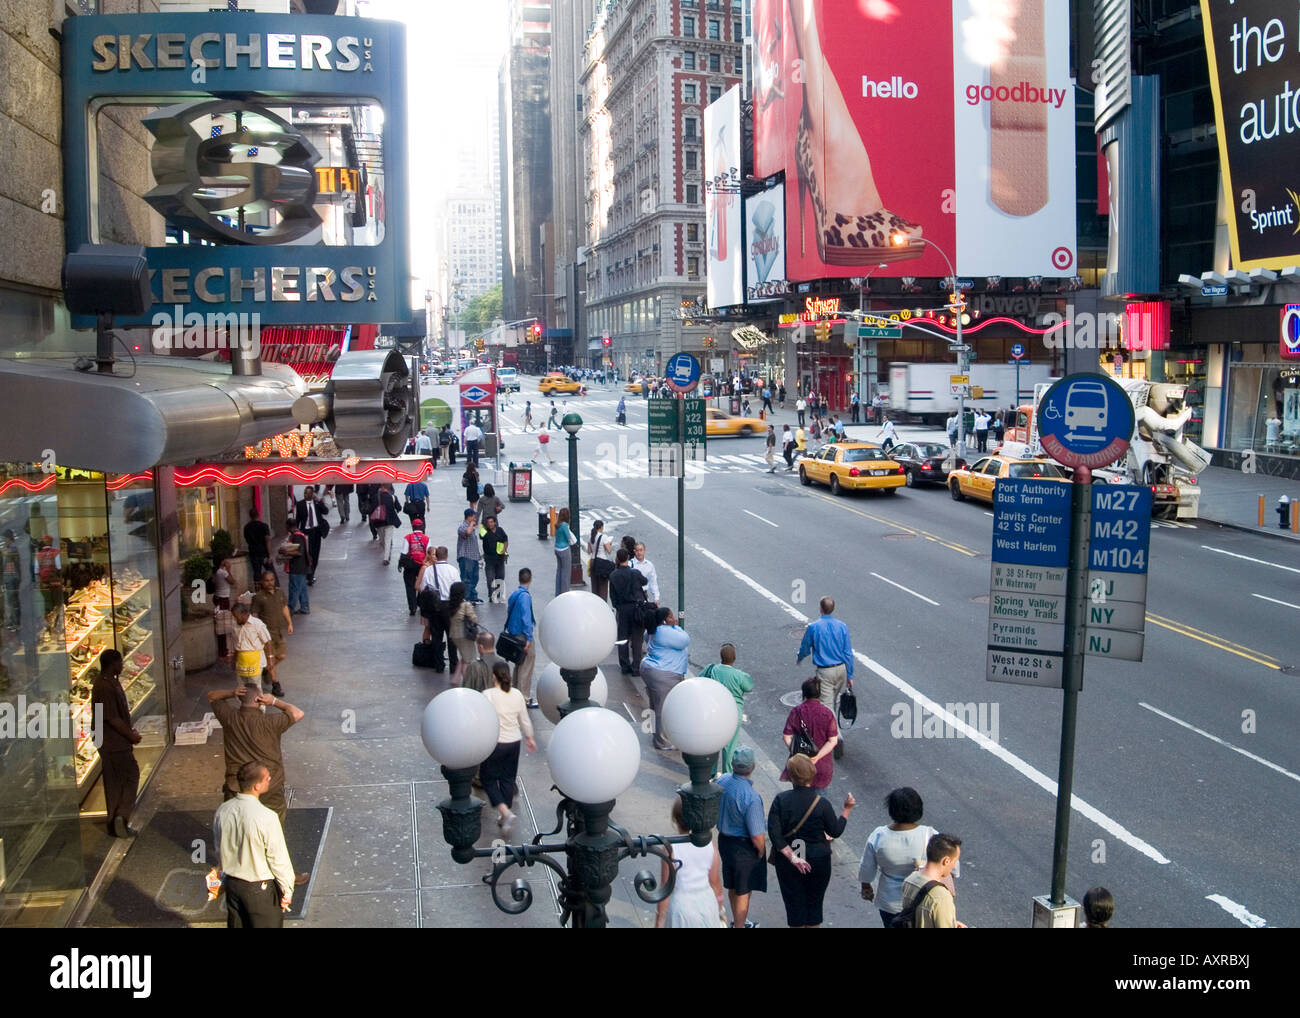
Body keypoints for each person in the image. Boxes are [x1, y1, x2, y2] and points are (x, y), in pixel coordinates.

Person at [768, 754, 855, 928]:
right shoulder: (822, 804)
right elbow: (835, 831)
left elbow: (774, 833)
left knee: (794, 907)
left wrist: (793, 857)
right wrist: (846, 810)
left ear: (791, 776)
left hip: (789, 861)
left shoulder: (781, 800)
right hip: (818, 860)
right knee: (814, 907)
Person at [207, 680, 305, 828]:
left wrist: (232, 692)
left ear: (240, 699)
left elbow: (212, 696)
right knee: (273, 826)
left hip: (237, 785)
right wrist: (275, 701)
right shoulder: (271, 723)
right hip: (269, 784)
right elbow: (298, 713)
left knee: (237, 827)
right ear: (259, 700)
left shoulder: (229, 717)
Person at [212, 762, 297, 928]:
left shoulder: (223, 810)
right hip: (259, 889)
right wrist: (287, 889)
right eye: (267, 778)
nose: (270, 779)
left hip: (233, 885)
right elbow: (278, 858)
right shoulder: (267, 817)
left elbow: (218, 846)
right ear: (257, 786)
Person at [858, 787, 951, 927]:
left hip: (889, 901)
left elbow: (867, 868)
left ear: (891, 810)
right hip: (923, 899)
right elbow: (952, 869)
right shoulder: (931, 836)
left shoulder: (879, 836)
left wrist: (866, 887)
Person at [716, 746, 767, 928]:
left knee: (732, 885)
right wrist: (761, 851)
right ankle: (739, 925)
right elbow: (757, 835)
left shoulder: (722, 781)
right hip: (743, 849)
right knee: (744, 890)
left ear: (732, 764)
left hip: (725, 841)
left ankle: (739, 922)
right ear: (752, 766)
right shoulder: (751, 798)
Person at [655, 798, 726, 928]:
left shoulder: (671, 849)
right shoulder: (709, 845)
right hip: (706, 904)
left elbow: (666, 888)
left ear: (675, 819)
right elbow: (715, 882)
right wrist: (720, 910)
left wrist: (659, 920)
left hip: (682, 908)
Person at [482, 661, 536, 828]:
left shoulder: (487, 695)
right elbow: (524, 719)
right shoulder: (517, 694)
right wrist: (530, 737)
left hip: (495, 742)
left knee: (487, 778)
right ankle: (504, 814)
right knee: (508, 778)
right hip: (514, 741)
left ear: (493, 676)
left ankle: (505, 812)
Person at [92, 649, 140, 838]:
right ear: (112, 665)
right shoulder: (104, 687)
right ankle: (120, 816)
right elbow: (112, 718)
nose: (122, 666)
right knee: (130, 776)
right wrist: (130, 735)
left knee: (115, 782)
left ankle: (115, 821)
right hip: (114, 744)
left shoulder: (109, 683)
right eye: (120, 663)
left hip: (114, 743)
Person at [796, 597, 855, 748]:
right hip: (841, 669)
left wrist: (800, 658)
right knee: (833, 700)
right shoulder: (842, 626)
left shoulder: (814, 627)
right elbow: (848, 652)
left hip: (825, 672)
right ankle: (834, 729)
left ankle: (836, 737)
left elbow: (805, 647)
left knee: (827, 705)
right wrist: (850, 675)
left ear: (820, 609)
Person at [640, 606, 689, 752]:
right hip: (664, 674)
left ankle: (657, 735)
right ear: (664, 620)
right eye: (670, 617)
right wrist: (676, 627)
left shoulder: (654, 629)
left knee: (656, 705)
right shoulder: (666, 631)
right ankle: (662, 742)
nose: (673, 619)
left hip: (651, 670)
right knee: (663, 708)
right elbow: (685, 639)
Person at [699, 644, 752, 775]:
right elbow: (749, 686)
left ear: (721, 656)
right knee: (730, 746)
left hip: (715, 712)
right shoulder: (739, 675)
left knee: (714, 743)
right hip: (733, 713)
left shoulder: (712, 669)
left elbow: (700, 680)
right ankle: (727, 774)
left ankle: (710, 772)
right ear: (734, 658)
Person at [781, 677, 839, 794]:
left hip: (800, 766)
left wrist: (798, 753)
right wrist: (817, 756)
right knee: (818, 804)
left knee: (800, 800)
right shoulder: (827, 713)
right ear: (819, 694)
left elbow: (786, 736)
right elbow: (833, 740)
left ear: (804, 694)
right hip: (821, 767)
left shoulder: (797, 712)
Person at [897, 834, 964, 928]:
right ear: (946, 861)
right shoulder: (941, 896)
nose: (954, 866)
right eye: (955, 861)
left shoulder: (911, 879)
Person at [416, 547, 461, 672]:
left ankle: (439, 664)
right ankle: (453, 665)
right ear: (446, 556)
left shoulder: (429, 570)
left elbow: (424, 587)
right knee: (452, 637)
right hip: (449, 606)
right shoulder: (453, 570)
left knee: (436, 635)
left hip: (434, 606)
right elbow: (458, 589)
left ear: (437, 556)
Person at [609, 549, 648, 675]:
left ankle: (624, 665)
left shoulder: (613, 575)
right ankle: (636, 666)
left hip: (623, 608)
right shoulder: (635, 573)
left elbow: (613, 596)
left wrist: (618, 606)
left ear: (617, 559)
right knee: (637, 638)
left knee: (623, 637)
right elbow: (645, 581)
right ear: (627, 558)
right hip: (636, 608)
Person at [250, 570, 292, 686]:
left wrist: (289, 623)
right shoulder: (258, 597)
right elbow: (254, 615)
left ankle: (265, 669)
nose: (270, 583)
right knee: (271, 659)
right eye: (267, 581)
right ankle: (275, 684)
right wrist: (256, 633)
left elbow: (284, 607)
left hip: (279, 632)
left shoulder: (280, 593)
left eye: (271, 580)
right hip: (266, 635)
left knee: (282, 655)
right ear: (262, 582)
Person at [504, 568, 537, 706]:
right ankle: (523, 696)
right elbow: (526, 618)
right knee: (527, 664)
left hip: (513, 633)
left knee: (519, 663)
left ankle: (515, 692)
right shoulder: (525, 596)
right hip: (522, 635)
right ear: (530, 579)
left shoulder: (515, 594)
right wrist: (529, 638)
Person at [443, 581, 479, 685]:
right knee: (468, 660)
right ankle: (467, 682)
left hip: (454, 634)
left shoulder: (451, 605)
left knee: (463, 656)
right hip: (464, 636)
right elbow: (474, 619)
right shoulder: (465, 605)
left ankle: (455, 678)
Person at [294, 486, 329, 585]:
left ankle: (311, 575)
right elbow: (298, 520)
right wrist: (295, 532)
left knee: (315, 554)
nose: (305, 495)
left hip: (316, 531)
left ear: (312, 494)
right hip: (306, 532)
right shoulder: (300, 504)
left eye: (307, 493)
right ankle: (308, 575)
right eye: (304, 493)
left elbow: (326, 511)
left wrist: (319, 501)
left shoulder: (316, 503)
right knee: (307, 554)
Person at [399, 518, 430, 616]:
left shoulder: (408, 537)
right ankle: (421, 602)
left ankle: (412, 607)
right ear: (422, 527)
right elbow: (429, 553)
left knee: (410, 586)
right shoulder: (426, 538)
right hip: (422, 566)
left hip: (410, 565)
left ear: (413, 527)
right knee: (423, 585)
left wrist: (400, 564)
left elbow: (404, 553)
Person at [280, 523, 311, 615]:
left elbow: (299, 552)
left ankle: (290, 608)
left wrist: (286, 551)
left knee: (294, 588)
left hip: (297, 567)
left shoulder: (297, 537)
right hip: (302, 566)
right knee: (302, 588)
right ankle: (304, 607)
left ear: (289, 527)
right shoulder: (299, 535)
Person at [481, 515, 509, 604]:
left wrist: (504, 549)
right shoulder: (484, 532)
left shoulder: (500, 530)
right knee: (490, 578)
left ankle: (497, 594)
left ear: (495, 523)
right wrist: (482, 527)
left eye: (491, 522)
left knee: (500, 577)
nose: (490, 524)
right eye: (488, 522)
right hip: (489, 559)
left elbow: (505, 539)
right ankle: (491, 595)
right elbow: (481, 535)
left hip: (500, 559)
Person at [457, 509, 483, 604]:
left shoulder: (472, 528)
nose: (475, 518)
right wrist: (471, 524)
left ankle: (472, 595)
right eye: (474, 516)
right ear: (469, 517)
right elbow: (467, 533)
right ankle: (466, 598)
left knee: (475, 577)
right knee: (466, 578)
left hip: (474, 557)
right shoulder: (462, 526)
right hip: (466, 557)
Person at [586, 520, 614, 601]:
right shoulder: (603, 537)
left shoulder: (590, 536)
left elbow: (589, 551)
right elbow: (609, 550)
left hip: (593, 562)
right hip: (601, 563)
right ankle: (603, 605)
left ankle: (595, 604)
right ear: (601, 527)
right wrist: (610, 543)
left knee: (594, 586)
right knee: (603, 587)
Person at [553, 506, 577, 598]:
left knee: (559, 571)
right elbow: (569, 538)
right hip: (564, 549)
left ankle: (558, 592)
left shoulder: (557, 524)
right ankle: (564, 593)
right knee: (566, 573)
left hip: (557, 548)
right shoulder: (564, 526)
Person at [243, 507, 273, 584]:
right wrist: (269, 555)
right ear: (258, 514)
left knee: (257, 573)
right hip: (263, 552)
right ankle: (272, 587)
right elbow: (267, 540)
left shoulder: (247, 527)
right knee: (270, 571)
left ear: (250, 516)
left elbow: (247, 539)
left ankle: (258, 589)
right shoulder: (264, 526)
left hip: (253, 552)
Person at [375, 483, 400, 566]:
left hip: (379, 522)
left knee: (382, 540)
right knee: (388, 539)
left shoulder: (377, 497)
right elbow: (399, 508)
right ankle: (386, 557)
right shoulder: (393, 497)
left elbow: (372, 508)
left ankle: (386, 554)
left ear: (382, 487)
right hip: (390, 521)